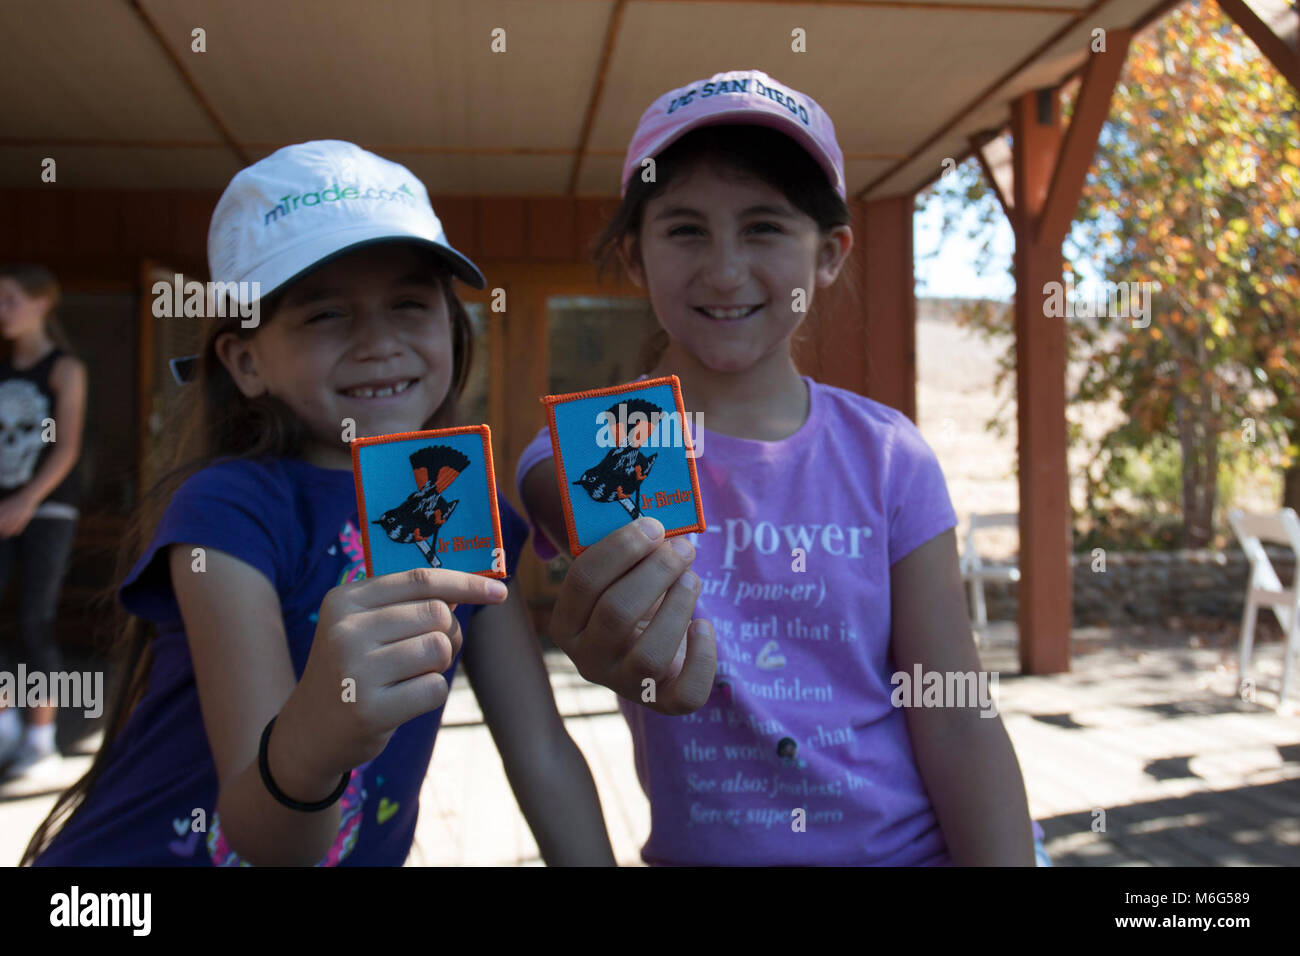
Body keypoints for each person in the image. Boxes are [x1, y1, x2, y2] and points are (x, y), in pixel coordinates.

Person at [22, 141, 614, 866]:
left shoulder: (462, 501)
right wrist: (318, 731)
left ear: (456, 331)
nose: (378, 342)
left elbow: (543, 752)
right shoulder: (225, 510)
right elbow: (271, 843)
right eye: (326, 313)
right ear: (245, 361)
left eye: (408, 303)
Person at [516, 70, 1041, 865]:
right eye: (685, 230)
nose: (725, 270)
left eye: (764, 227)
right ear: (633, 255)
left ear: (828, 255)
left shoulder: (889, 455)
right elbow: (549, 481)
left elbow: (955, 712)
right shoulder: (600, 446)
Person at [0, 265, 87, 782]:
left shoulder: (64, 368)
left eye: (9, 300)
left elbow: (67, 446)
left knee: (34, 617)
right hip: (2, 506)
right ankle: (6, 719)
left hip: (47, 509)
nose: (2, 312)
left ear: (41, 304)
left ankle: (40, 737)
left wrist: (27, 500)